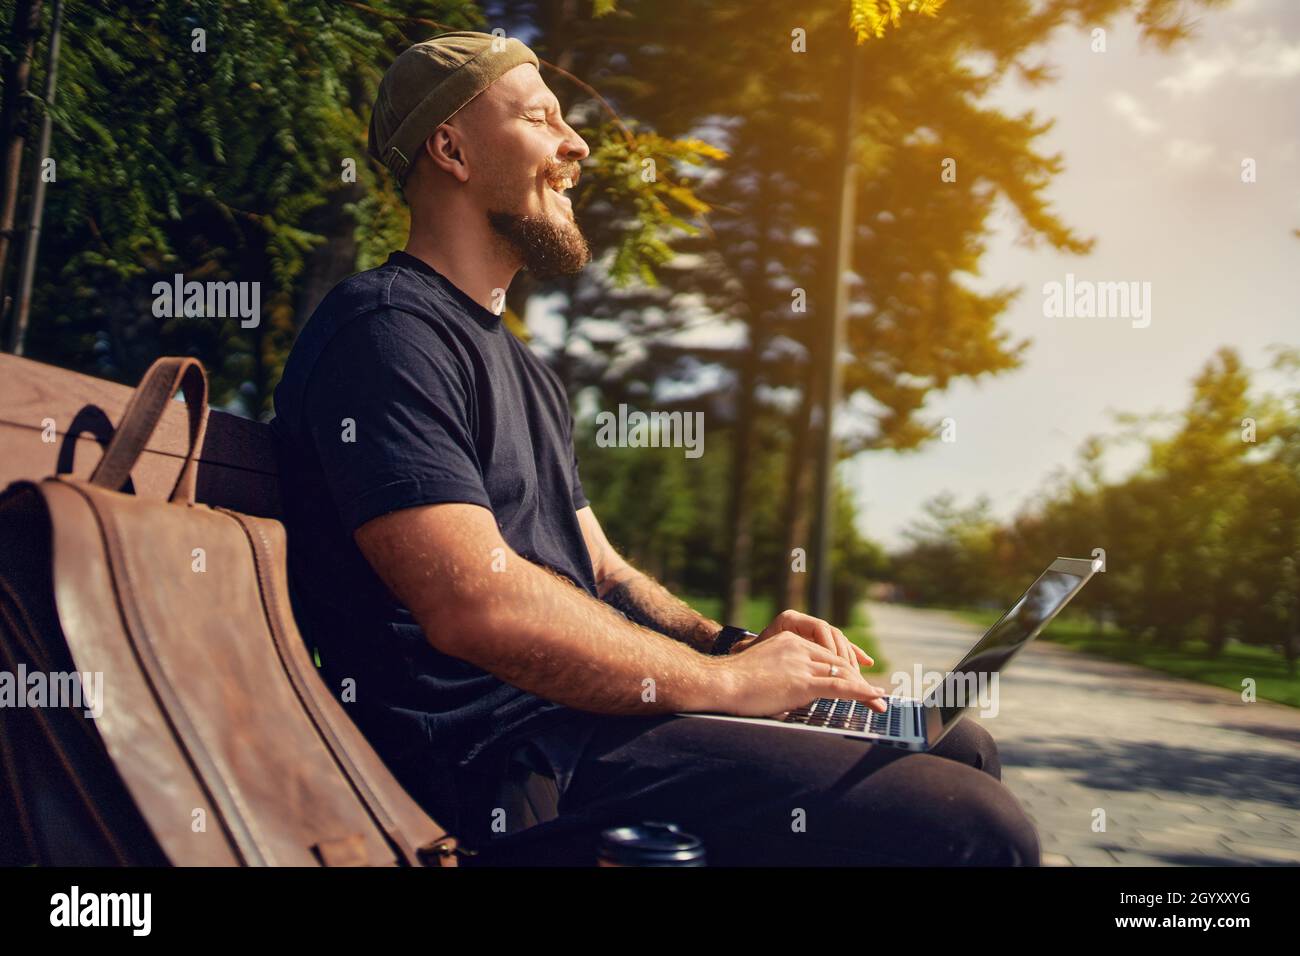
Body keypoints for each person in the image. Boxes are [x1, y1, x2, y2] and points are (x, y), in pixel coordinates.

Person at [271, 31, 1038, 866]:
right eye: (541, 119)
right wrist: (729, 690)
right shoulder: (388, 331)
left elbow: (604, 571)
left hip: (582, 725)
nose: (579, 144)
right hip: (503, 761)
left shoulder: (521, 368)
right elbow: (473, 606)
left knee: (960, 747)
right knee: (969, 822)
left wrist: (733, 647)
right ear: (450, 150)